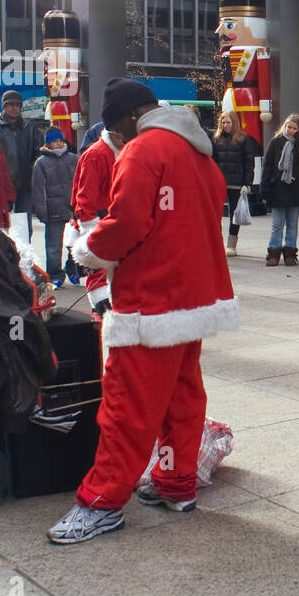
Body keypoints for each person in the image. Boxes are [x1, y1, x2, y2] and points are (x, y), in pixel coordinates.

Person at [51, 78, 237, 544]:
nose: (119, 139)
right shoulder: (197, 150)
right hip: (191, 297)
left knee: (126, 406)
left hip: (148, 298)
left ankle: (102, 502)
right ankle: (177, 484)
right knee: (182, 396)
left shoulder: (142, 149)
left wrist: (88, 251)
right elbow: (211, 206)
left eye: (117, 129)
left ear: (132, 117)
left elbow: (128, 221)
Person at [71, 112, 124, 312]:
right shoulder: (96, 155)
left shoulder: (125, 151)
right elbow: (84, 199)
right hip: (99, 221)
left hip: (117, 221)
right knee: (99, 275)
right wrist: (89, 229)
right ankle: (102, 312)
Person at [0, 90, 41, 242]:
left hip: (25, 184)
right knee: (0, 224)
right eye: (10, 105)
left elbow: (38, 152)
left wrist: (32, 171)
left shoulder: (29, 128)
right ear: (3, 106)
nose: (13, 108)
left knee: (24, 226)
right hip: (1, 184)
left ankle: (24, 258)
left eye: (17, 105)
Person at [211, 109, 262, 257]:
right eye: (223, 122)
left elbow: (249, 163)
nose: (225, 125)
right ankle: (217, 242)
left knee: (235, 213)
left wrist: (247, 183)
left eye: (228, 122)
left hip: (236, 182)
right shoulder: (216, 139)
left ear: (234, 123)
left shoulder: (243, 139)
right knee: (216, 213)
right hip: (219, 181)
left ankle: (231, 244)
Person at [31, 128, 78, 287]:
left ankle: (74, 269)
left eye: (60, 140)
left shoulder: (73, 159)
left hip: (73, 208)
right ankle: (55, 274)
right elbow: (38, 190)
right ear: (47, 143)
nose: (58, 144)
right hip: (53, 210)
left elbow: (80, 182)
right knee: (53, 245)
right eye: (54, 141)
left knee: (75, 242)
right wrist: (42, 211)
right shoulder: (41, 163)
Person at [263, 113, 299, 266]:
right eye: (289, 127)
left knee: (292, 224)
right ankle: (274, 252)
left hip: (294, 189)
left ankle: (290, 253)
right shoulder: (276, 142)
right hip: (278, 189)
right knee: (277, 224)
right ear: (284, 126)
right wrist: (265, 187)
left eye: (294, 128)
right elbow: (267, 166)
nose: (291, 130)